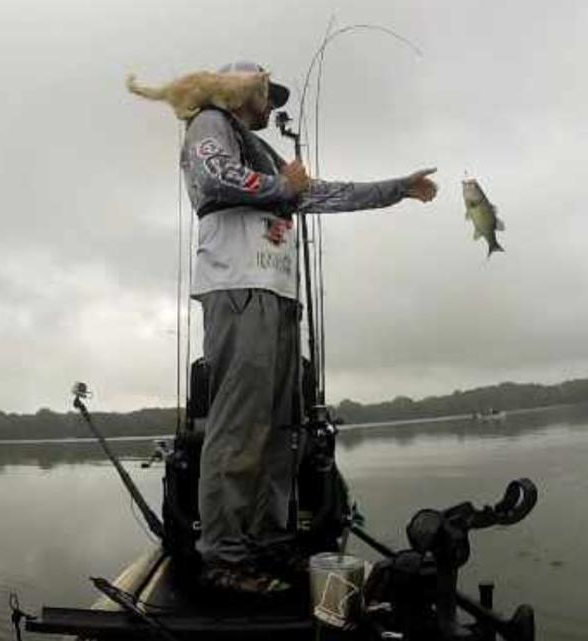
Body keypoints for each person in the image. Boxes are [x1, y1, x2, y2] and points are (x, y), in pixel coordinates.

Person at [181, 60, 438, 594]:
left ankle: (270, 543)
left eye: (274, 98)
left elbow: (317, 194)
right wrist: (281, 186)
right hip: (239, 289)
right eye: (264, 95)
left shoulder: (265, 152)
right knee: (239, 426)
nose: (270, 106)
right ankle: (224, 558)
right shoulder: (209, 122)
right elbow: (212, 177)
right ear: (239, 91)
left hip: (279, 297)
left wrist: (396, 189)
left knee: (280, 429)